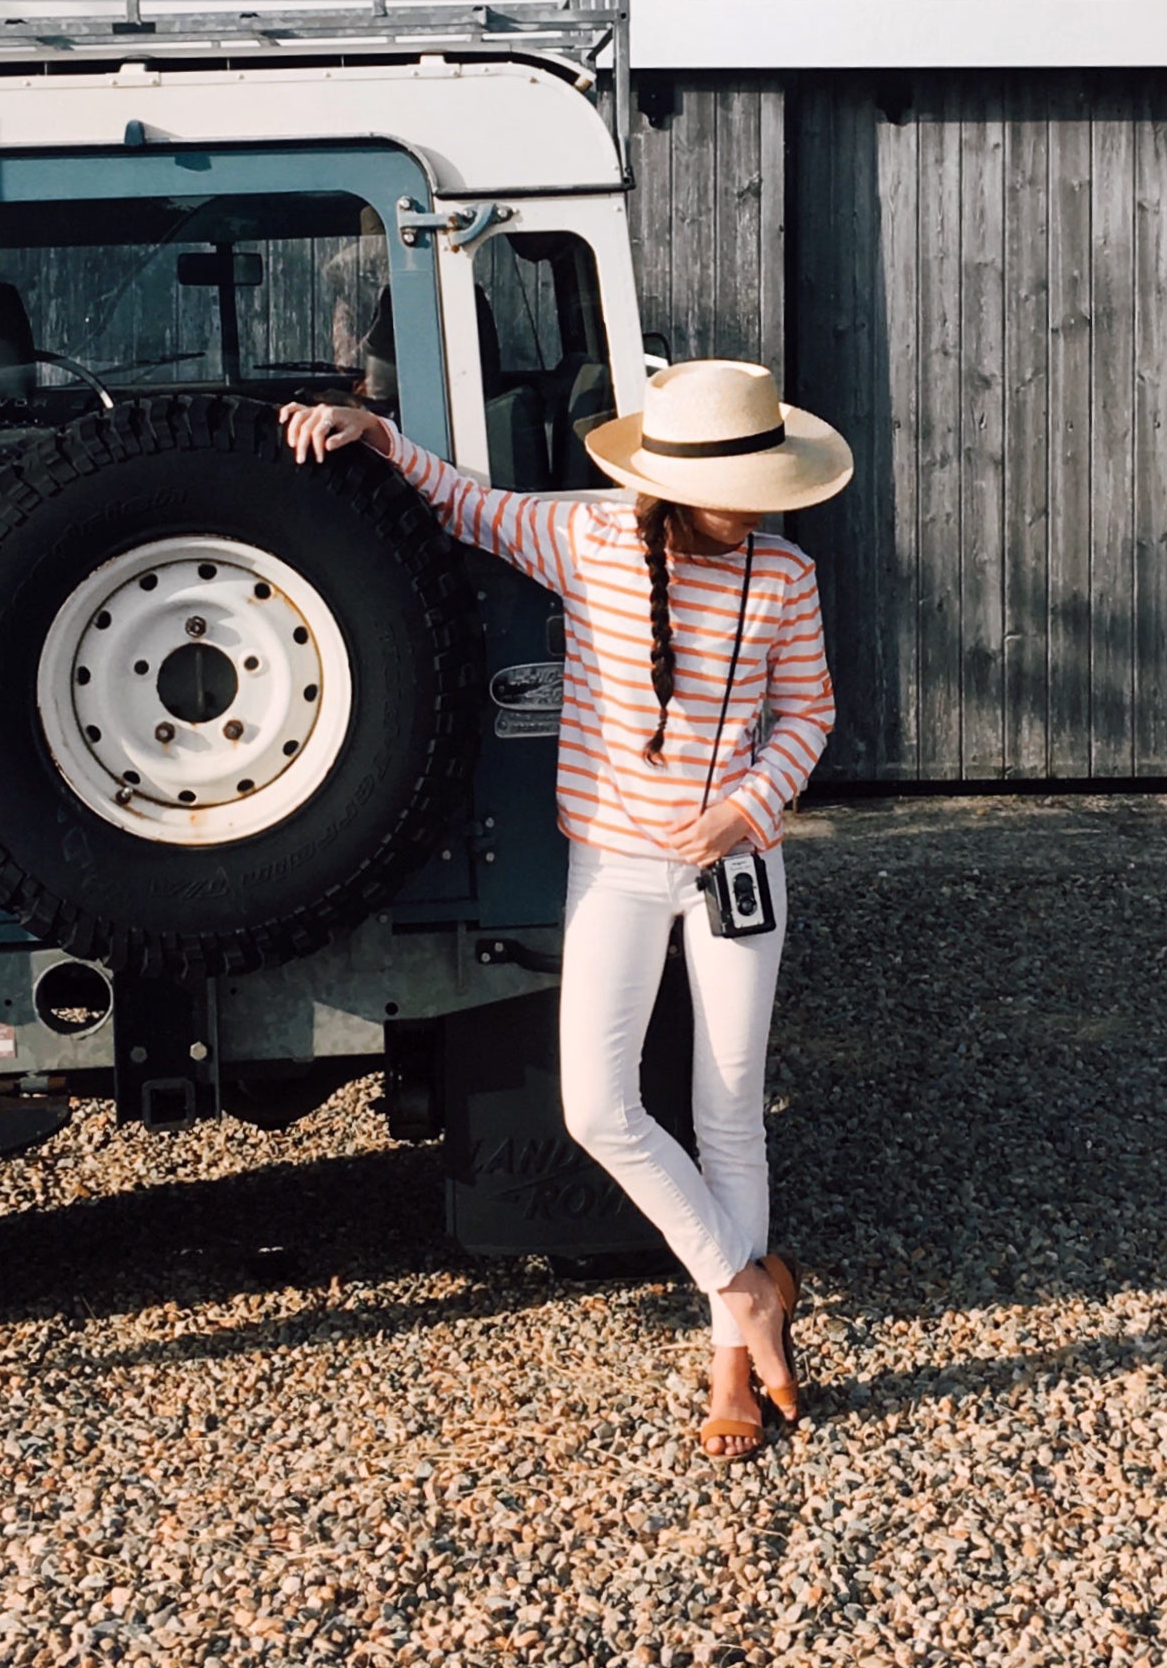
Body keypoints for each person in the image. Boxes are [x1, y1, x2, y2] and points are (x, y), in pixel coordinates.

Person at [281, 355, 850, 1460]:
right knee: (597, 1108)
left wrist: (747, 806)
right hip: (619, 864)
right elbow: (464, 503)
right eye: (745, 483)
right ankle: (747, 1287)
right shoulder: (587, 540)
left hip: (736, 866)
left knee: (727, 1107)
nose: (764, 504)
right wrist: (372, 430)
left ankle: (731, 1364)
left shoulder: (783, 577)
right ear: (679, 478)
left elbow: (809, 714)